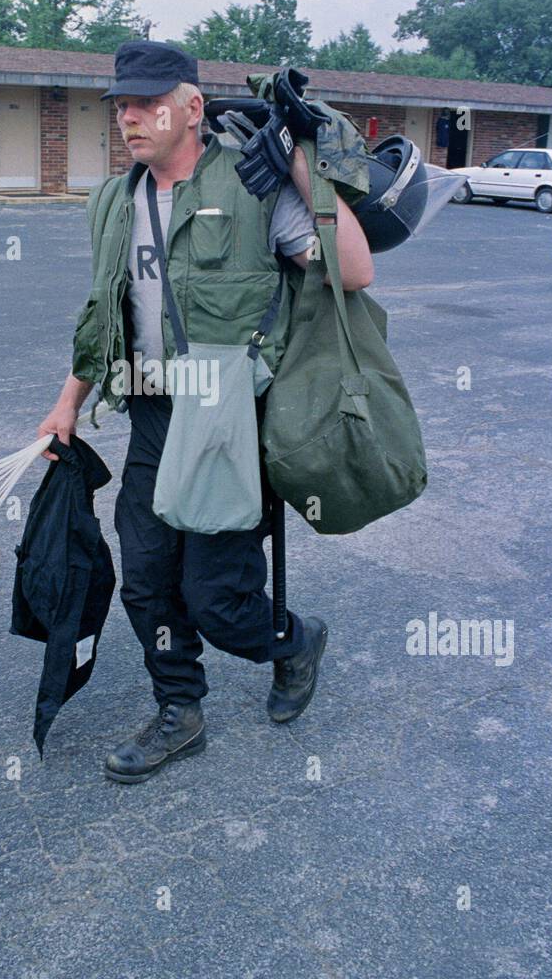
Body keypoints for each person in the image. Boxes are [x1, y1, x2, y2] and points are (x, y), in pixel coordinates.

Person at [38, 40, 373, 783]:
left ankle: (292, 642)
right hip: (156, 418)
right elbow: (103, 317)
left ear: (192, 107)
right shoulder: (114, 200)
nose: (130, 116)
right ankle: (178, 709)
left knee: (218, 601)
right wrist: (67, 405)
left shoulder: (254, 187)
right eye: (121, 104)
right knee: (148, 581)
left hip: (233, 421)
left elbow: (352, 271)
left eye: (148, 102)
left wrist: (296, 164)